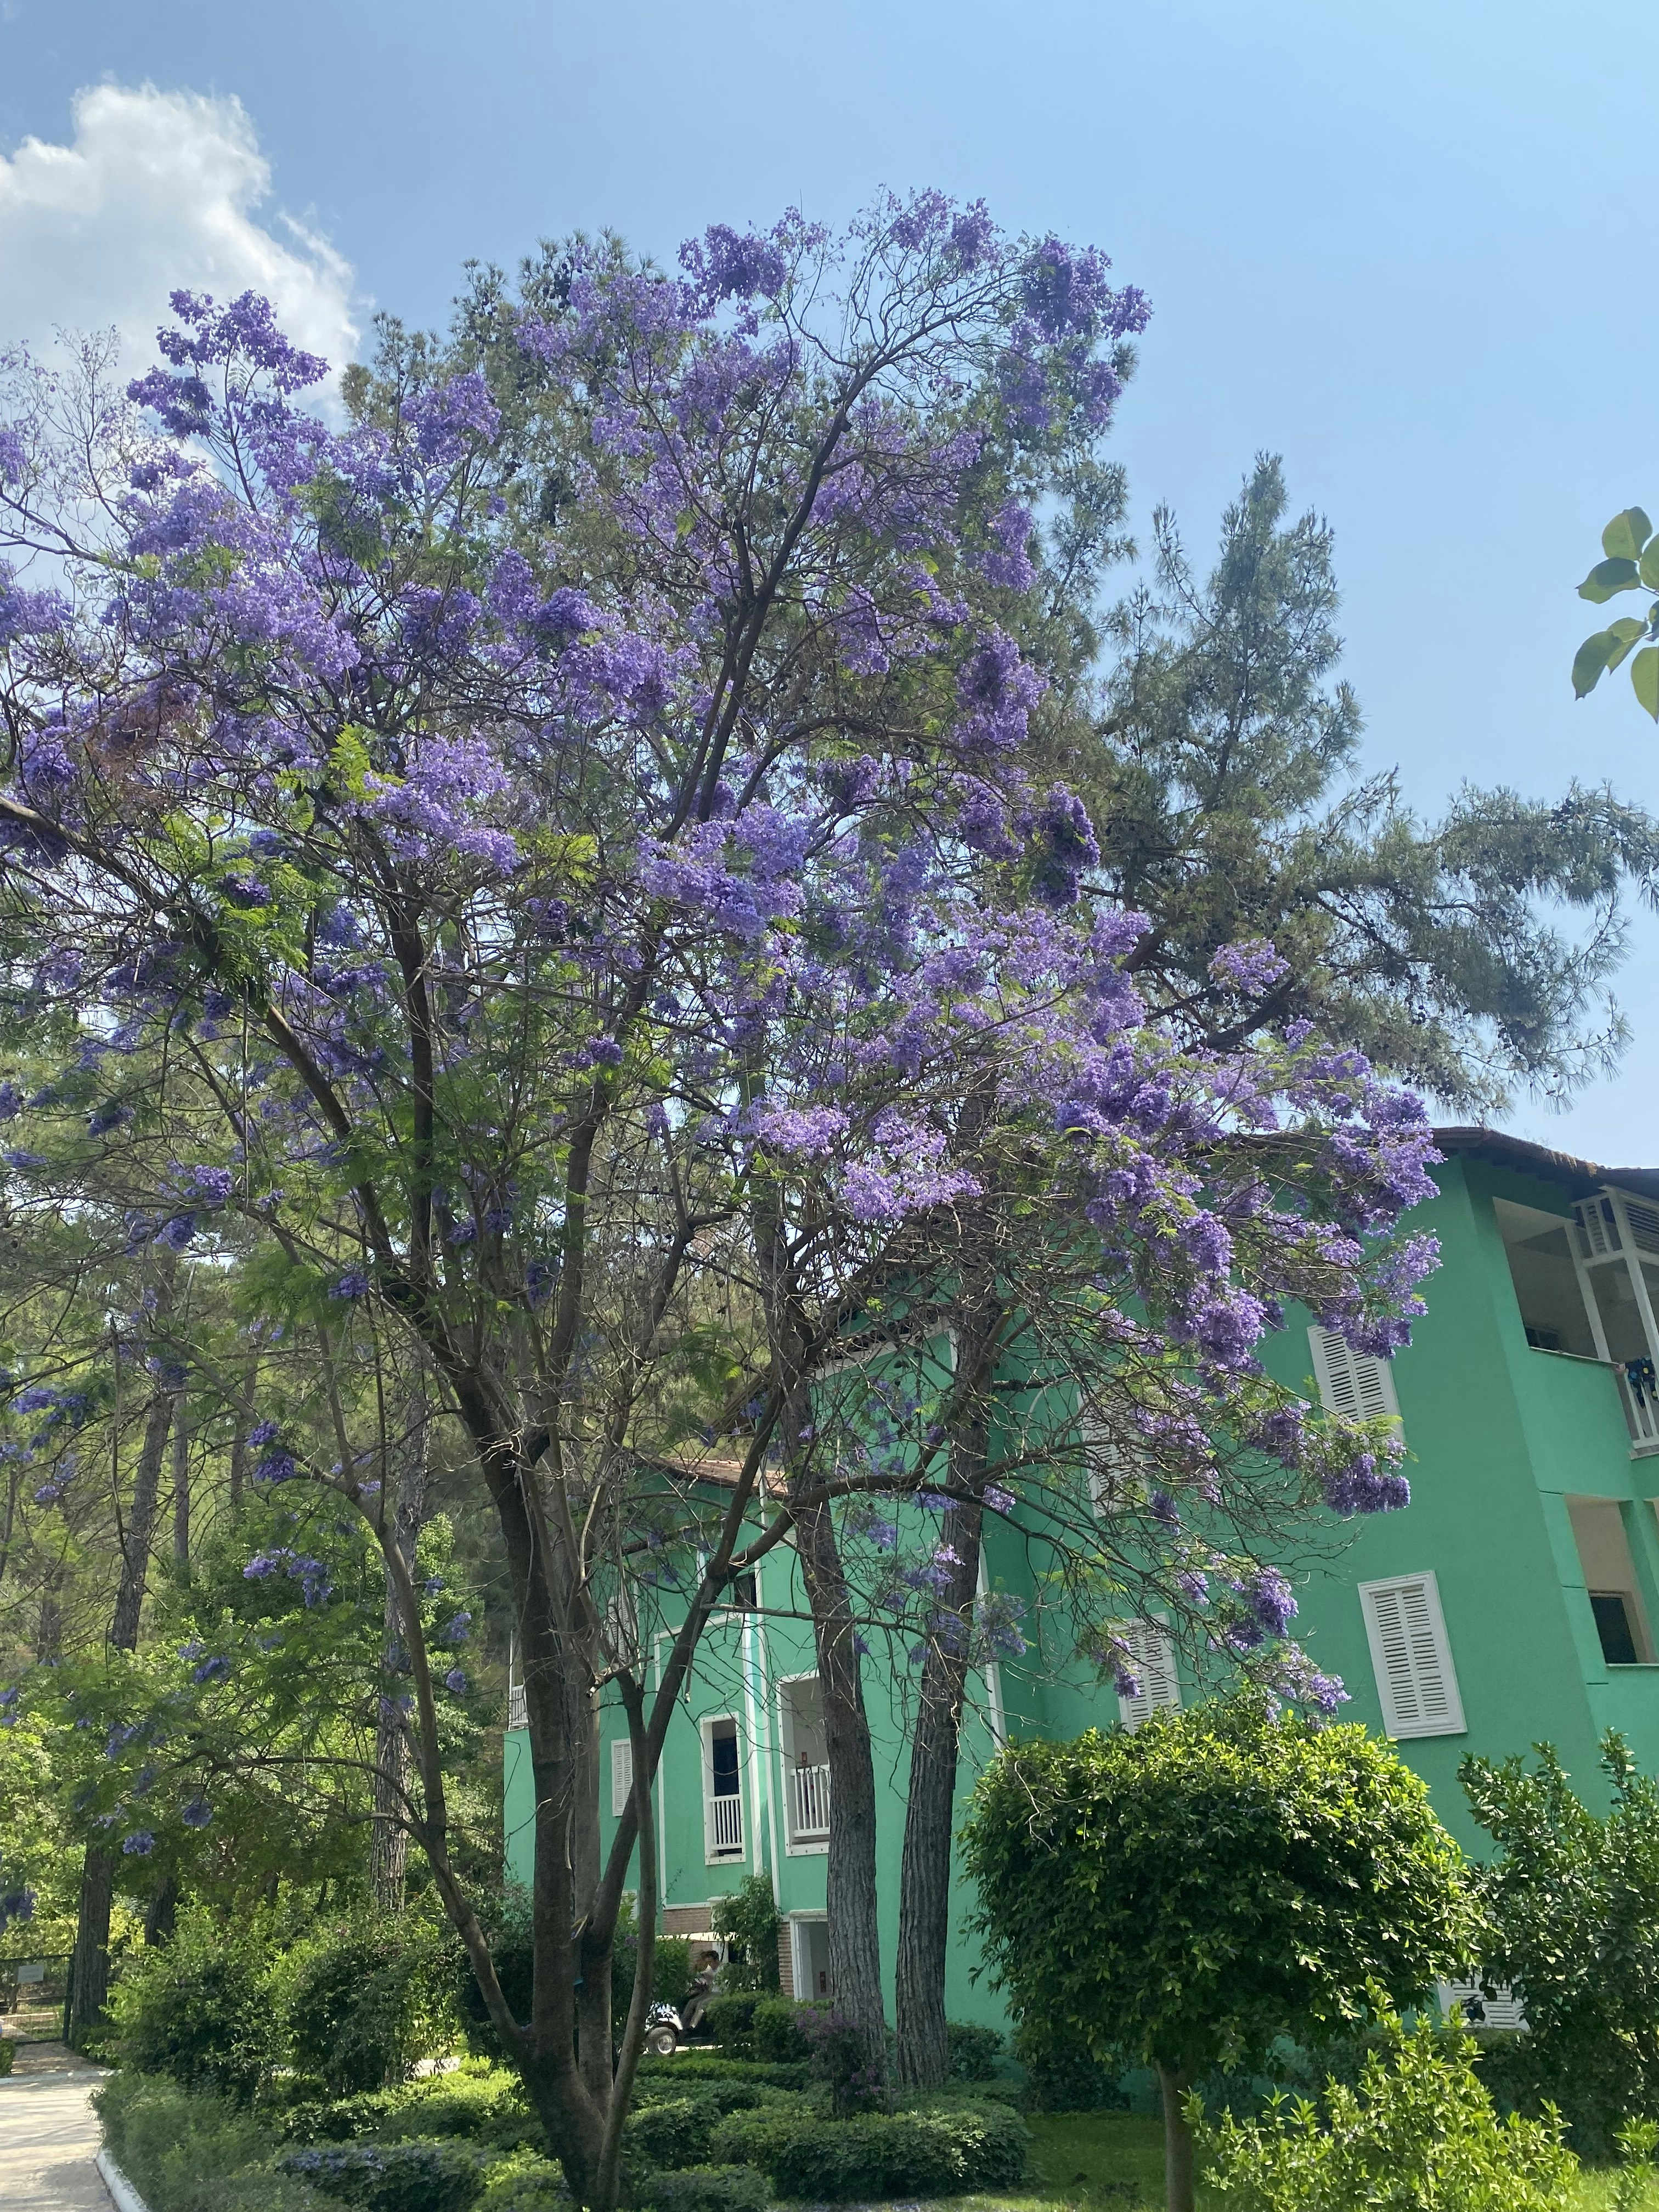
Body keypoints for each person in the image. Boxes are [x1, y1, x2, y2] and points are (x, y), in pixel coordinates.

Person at [681, 1946, 723, 2034]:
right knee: (692, 2002)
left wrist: (711, 1979)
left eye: (711, 1962)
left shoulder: (722, 1970)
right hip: (710, 1993)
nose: (710, 1965)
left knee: (702, 2004)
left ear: (716, 1961)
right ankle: (682, 2025)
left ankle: (693, 2026)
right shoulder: (710, 1970)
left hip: (719, 1993)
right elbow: (701, 1974)